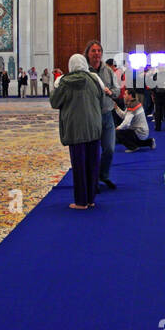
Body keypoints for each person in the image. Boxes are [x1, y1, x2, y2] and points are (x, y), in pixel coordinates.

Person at [50, 53, 104, 210]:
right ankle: (91, 199)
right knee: (93, 163)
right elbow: (100, 97)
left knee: (79, 165)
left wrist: (57, 85)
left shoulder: (65, 82)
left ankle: (81, 201)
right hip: (94, 127)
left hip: (75, 128)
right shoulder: (94, 79)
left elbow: (55, 102)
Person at [85, 40, 120, 191]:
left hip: (107, 115)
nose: (97, 53)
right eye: (93, 51)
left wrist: (110, 92)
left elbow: (117, 90)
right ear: (87, 53)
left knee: (109, 149)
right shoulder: (84, 71)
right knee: (92, 151)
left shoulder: (108, 70)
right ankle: (92, 180)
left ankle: (103, 176)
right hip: (91, 117)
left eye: (99, 50)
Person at [151, 65, 165, 132]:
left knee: (158, 112)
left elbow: (153, 86)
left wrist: (153, 95)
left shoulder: (155, 75)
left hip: (158, 96)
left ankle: (158, 127)